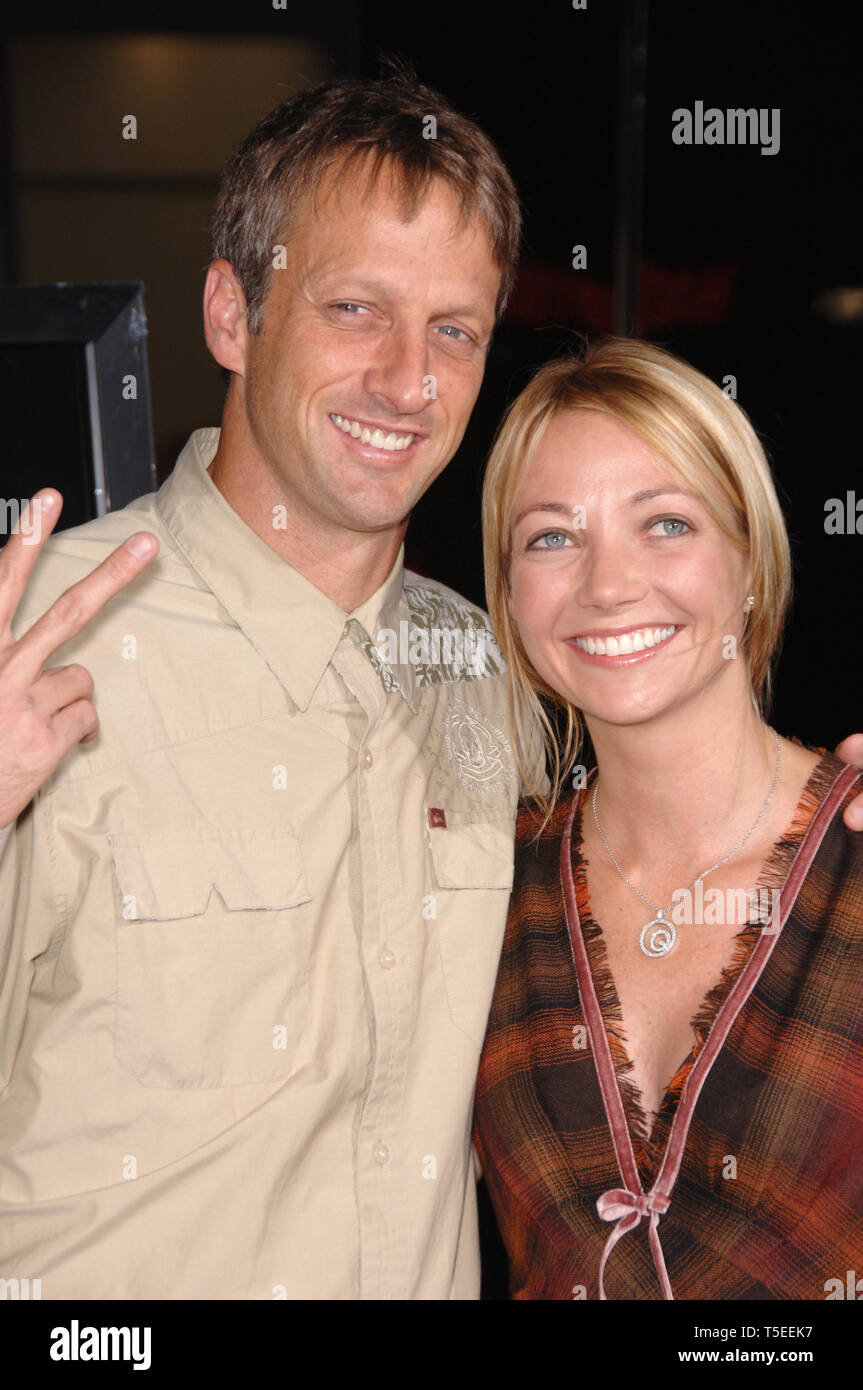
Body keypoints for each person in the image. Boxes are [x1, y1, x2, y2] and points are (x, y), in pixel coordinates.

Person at [0, 75, 861, 1302]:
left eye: (454, 329)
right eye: (355, 308)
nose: (408, 380)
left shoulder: (491, 679)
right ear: (231, 315)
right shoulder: (38, 644)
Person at [474, 336, 863, 1300]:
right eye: (551, 537)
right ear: (510, 600)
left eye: (666, 524)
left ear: (750, 562)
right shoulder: (474, 886)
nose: (607, 586)